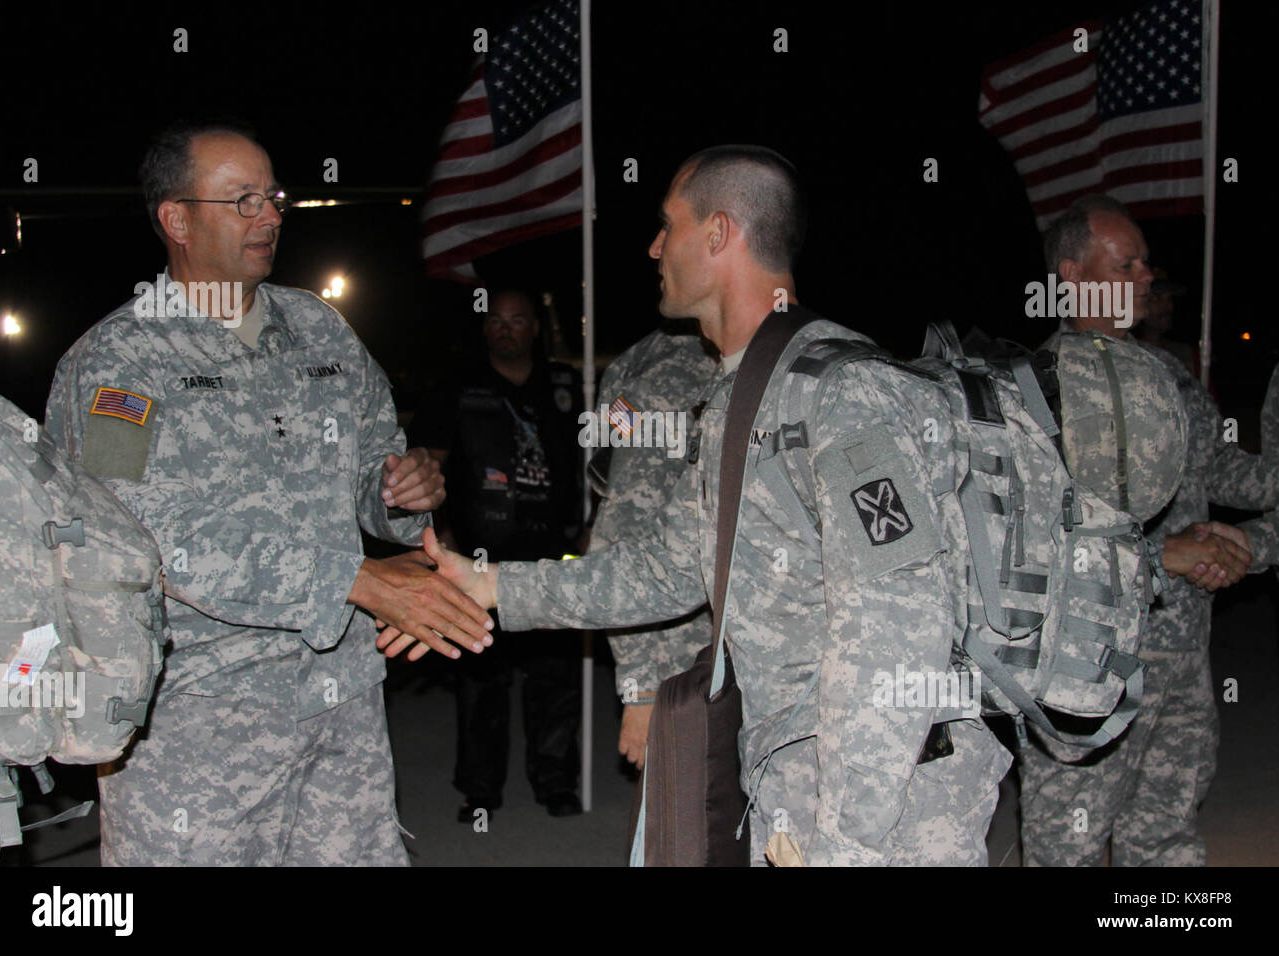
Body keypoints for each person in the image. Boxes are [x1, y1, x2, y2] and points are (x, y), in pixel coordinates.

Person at [386, 145, 1016, 865]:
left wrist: (848, 843)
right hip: (799, 775)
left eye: (668, 225)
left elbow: (896, 630)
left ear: (717, 235)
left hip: (887, 805)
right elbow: (668, 568)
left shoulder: (842, 391)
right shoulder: (740, 395)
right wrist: (491, 584)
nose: (654, 246)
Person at [44, 120, 492, 866]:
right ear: (176, 219)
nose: (271, 215)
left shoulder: (320, 329)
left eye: (274, 196)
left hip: (339, 701)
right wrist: (355, 580)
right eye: (242, 200)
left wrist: (404, 491)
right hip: (196, 721)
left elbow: (373, 475)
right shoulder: (119, 361)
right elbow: (138, 537)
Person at [1019, 195, 1276, 866]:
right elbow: (1032, 542)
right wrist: (1170, 553)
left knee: (1164, 843)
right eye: (1125, 264)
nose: (1144, 280)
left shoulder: (1171, 378)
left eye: (1145, 265)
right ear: (1071, 277)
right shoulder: (1034, 393)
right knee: (1067, 847)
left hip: (1183, 661)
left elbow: (1236, 480)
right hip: (1087, 671)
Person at [412, 288, 585, 820]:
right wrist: (443, 540)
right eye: (496, 321)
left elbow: (604, 457)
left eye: (517, 320)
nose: (505, 329)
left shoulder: (566, 385)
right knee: (482, 679)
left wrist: (590, 529)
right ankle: (481, 790)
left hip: (551, 557)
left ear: (536, 327)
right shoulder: (457, 386)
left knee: (555, 676)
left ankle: (556, 782)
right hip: (479, 559)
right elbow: (428, 467)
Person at [588, 322, 718, 771]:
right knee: (691, 818)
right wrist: (644, 686)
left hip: (745, 650)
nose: (656, 248)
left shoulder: (752, 353)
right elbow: (623, 535)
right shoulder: (672, 372)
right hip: (691, 657)